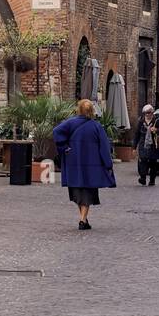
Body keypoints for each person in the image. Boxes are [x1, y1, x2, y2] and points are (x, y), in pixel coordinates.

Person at [52, 98, 115, 231]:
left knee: (78, 192)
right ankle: (82, 220)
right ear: (91, 111)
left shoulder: (70, 123)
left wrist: (64, 148)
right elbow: (104, 147)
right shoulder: (96, 126)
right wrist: (108, 164)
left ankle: (84, 219)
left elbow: (57, 131)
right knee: (87, 192)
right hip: (92, 165)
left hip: (73, 163)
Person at [132, 103, 159, 186]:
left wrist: (157, 130)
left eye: (149, 113)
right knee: (142, 161)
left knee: (153, 163)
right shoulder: (141, 121)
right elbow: (137, 134)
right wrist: (134, 147)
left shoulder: (157, 121)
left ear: (152, 112)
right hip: (143, 145)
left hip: (153, 145)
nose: (147, 115)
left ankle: (152, 180)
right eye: (145, 113)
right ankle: (142, 178)